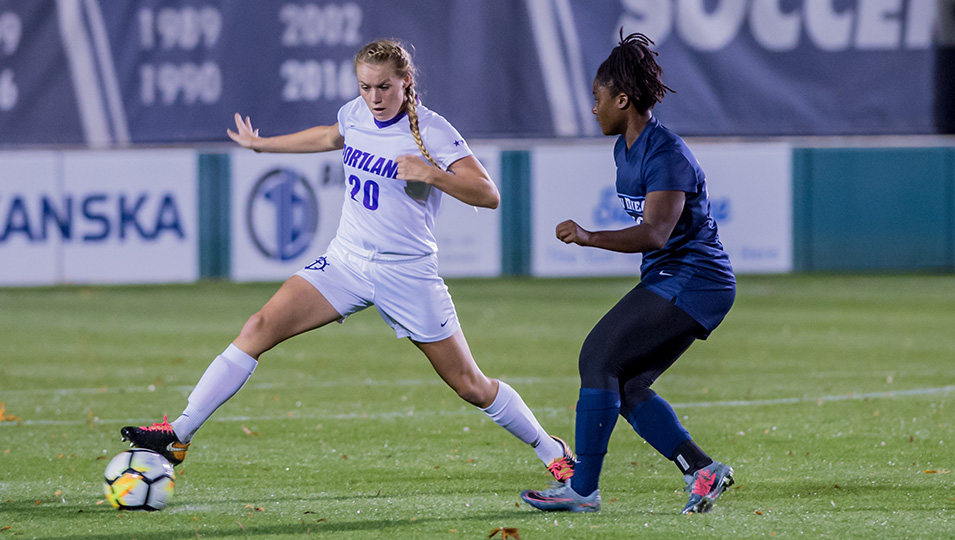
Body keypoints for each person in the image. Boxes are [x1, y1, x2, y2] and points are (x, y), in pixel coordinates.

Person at [121, 38, 574, 486]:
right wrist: (264, 146)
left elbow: (489, 194)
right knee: (258, 327)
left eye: (383, 87)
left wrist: (431, 173)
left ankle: (549, 448)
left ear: (405, 82)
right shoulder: (356, 114)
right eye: (364, 87)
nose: (373, 97)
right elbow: (329, 136)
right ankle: (178, 434)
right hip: (346, 262)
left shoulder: (433, 131)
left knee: (470, 385)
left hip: (407, 273)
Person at [520, 31, 736, 515]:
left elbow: (656, 233)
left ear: (623, 98)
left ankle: (582, 490)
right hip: (674, 278)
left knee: (597, 357)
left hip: (696, 279)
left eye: (597, 99)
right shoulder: (625, 149)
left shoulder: (666, 154)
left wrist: (589, 236)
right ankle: (702, 471)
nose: (593, 108)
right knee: (627, 383)